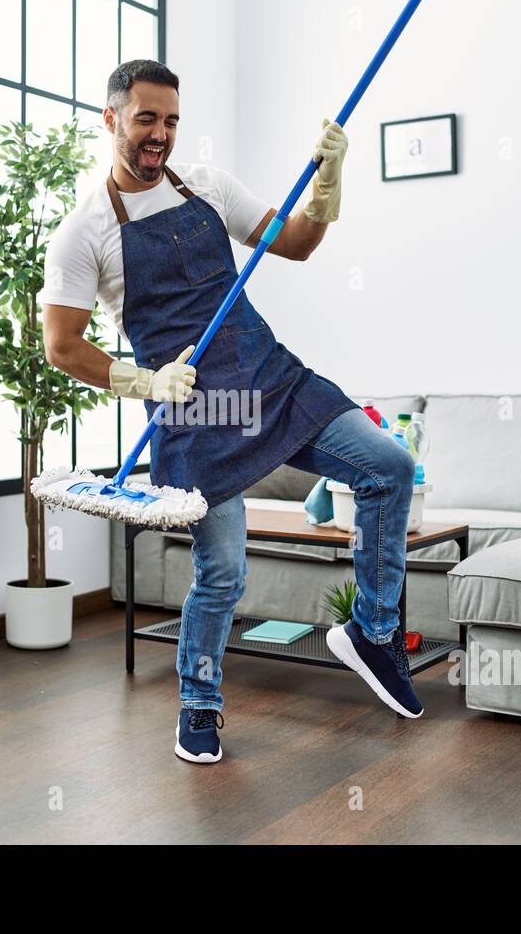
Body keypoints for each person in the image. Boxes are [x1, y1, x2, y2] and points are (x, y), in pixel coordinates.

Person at [41, 60, 419, 764]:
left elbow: (295, 244)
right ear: (111, 118)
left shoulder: (208, 186)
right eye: (146, 119)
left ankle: (372, 632)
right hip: (196, 412)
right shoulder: (83, 232)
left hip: (272, 381)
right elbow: (62, 346)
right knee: (223, 575)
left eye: (171, 120)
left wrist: (329, 182)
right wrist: (143, 382)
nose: (161, 134)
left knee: (388, 467)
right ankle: (199, 704)